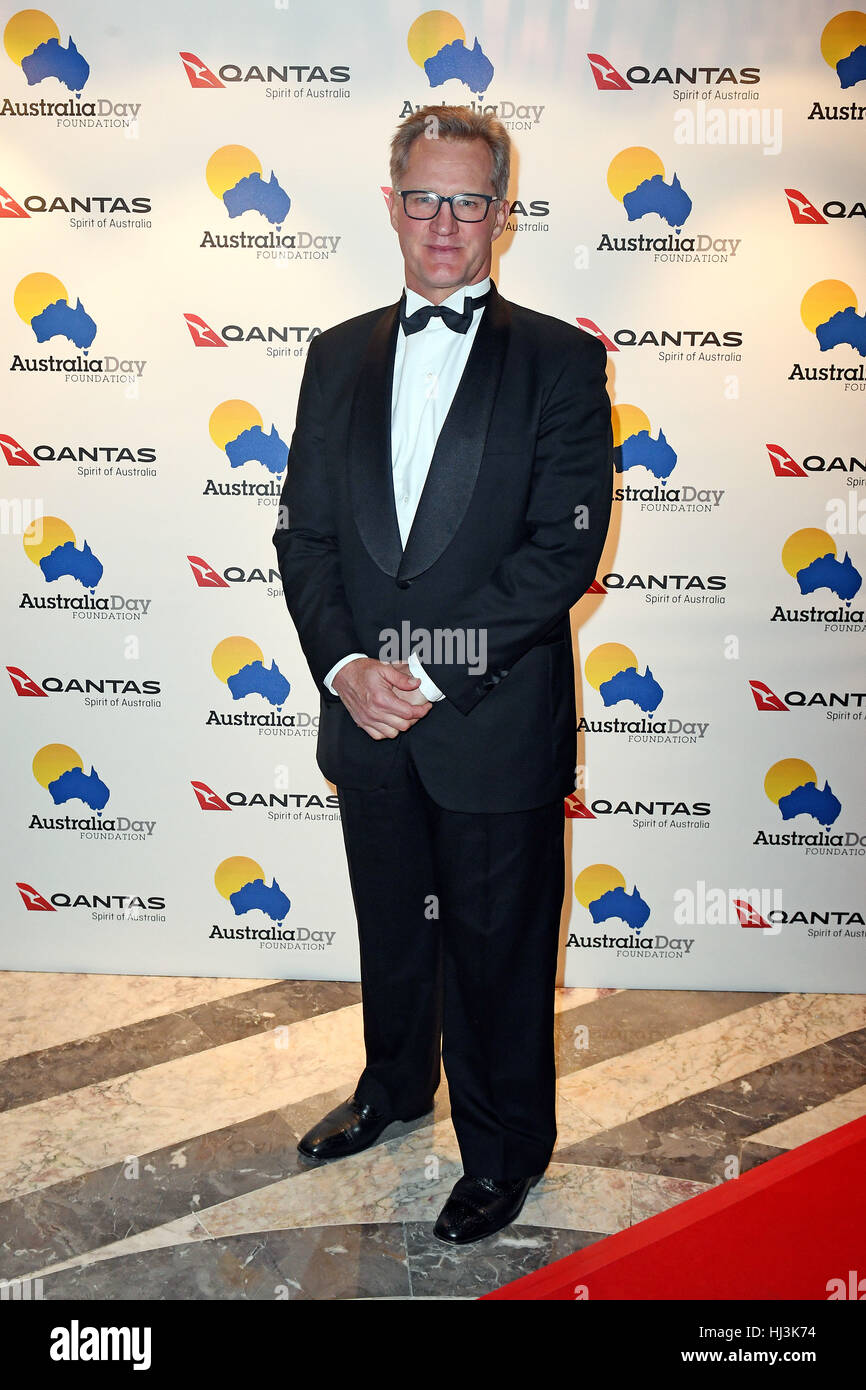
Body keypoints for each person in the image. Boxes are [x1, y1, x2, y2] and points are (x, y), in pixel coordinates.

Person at [273, 106, 612, 1244]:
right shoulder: (335, 354)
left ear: (501, 214)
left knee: (496, 949)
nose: (442, 224)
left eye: (468, 201)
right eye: (422, 197)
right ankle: (389, 1089)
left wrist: (420, 665)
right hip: (363, 715)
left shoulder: (561, 360)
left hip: (487, 716)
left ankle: (505, 1147)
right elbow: (304, 538)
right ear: (389, 203)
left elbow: (558, 553)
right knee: (394, 924)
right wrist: (344, 667)